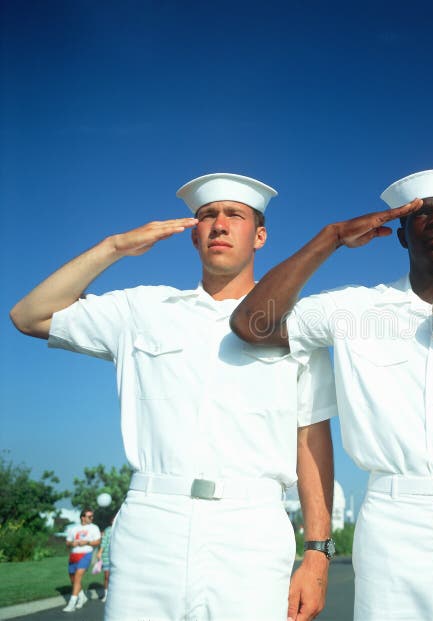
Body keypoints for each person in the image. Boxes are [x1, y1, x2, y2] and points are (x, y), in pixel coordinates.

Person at [230, 169, 433, 620]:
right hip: (391, 528)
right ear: (402, 235)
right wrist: (330, 238)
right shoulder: (354, 312)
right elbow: (251, 323)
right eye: (423, 214)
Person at [10, 173, 337, 621]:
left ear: (259, 235)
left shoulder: (297, 327)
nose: (219, 224)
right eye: (207, 216)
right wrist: (115, 247)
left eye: (234, 215)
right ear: (194, 235)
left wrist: (318, 553)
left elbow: (311, 440)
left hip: (252, 531)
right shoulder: (143, 310)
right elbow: (29, 315)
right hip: (151, 525)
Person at [63, 508, 101, 612]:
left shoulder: (94, 528)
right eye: (89, 516)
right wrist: (72, 544)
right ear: (82, 517)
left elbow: (97, 542)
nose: (91, 518)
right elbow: (67, 543)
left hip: (86, 554)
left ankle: (72, 603)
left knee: (78, 577)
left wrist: (87, 542)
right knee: (72, 578)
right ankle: (82, 596)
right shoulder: (74, 528)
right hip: (74, 554)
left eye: (92, 516)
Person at [96, 513, 115, 603]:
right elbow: (104, 542)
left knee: (116, 577)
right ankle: (106, 595)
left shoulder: (122, 529)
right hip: (107, 555)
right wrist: (100, 552)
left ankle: (114, 595)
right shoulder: (108, 530)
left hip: (118, 556)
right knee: (107, 576)